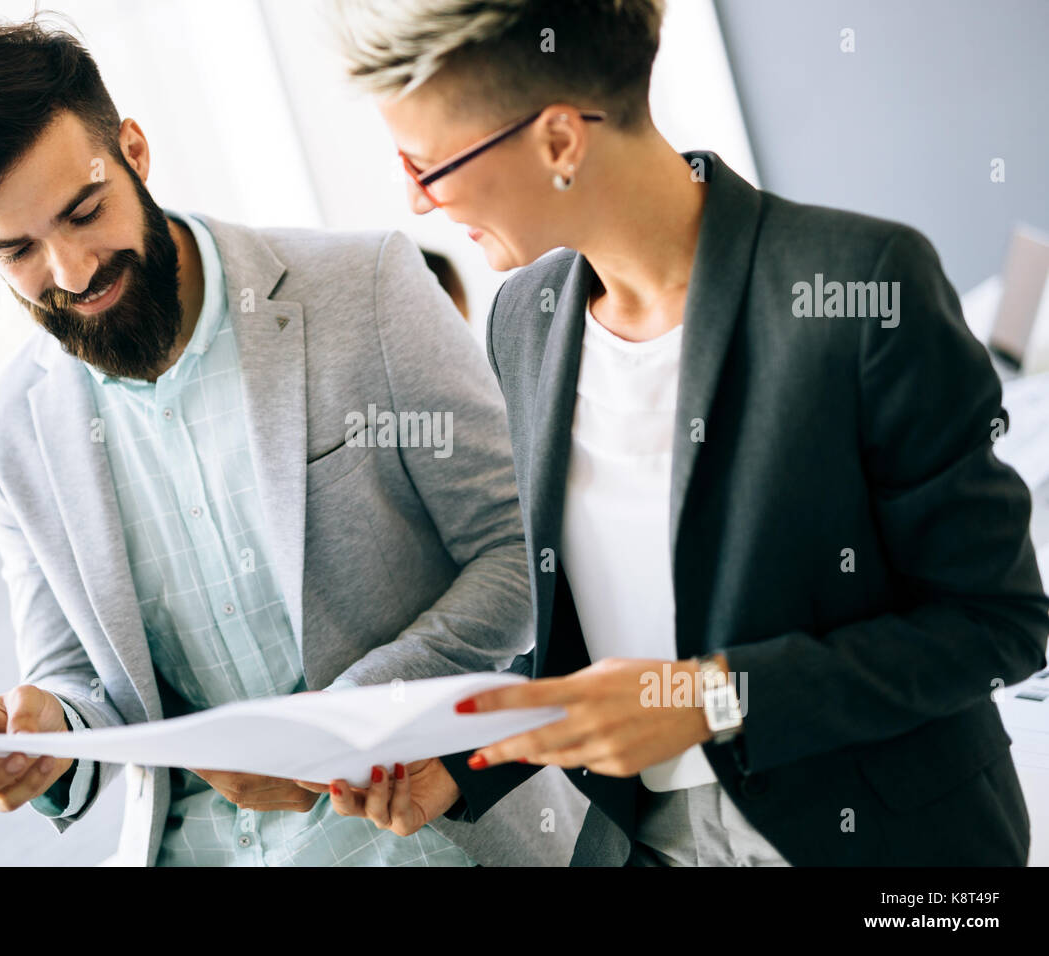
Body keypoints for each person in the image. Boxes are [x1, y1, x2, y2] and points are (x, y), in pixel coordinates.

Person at [327, 0, 1049, 865]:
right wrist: (458, 767)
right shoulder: (526, 317)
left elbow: (995, 623)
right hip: (657, 846)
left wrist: (711, 697)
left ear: (560, 141)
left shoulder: (858, 284)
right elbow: (602, 641)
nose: (414, 197)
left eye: (427, 162)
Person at [0, 15, 587, 867]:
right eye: (17, 252)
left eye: (85, 212)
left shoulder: (366, 285)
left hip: (436, 843)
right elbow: (74, 678)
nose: (72, 271)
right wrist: (48, 730)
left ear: (134, 151)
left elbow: (521, 555)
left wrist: (332, 729)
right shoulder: (3, 424)